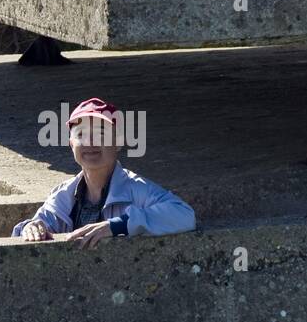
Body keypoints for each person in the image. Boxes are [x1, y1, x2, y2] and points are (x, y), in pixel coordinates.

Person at [11, 98, 196, 250]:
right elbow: (38, 226)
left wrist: (117, 225)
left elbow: (184, 215)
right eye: (81, 134)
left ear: (118, 142)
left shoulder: (136, 188)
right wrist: (30, 227)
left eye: (101, 134)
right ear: (71, 145)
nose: (90, 142)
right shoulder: (63, 194)